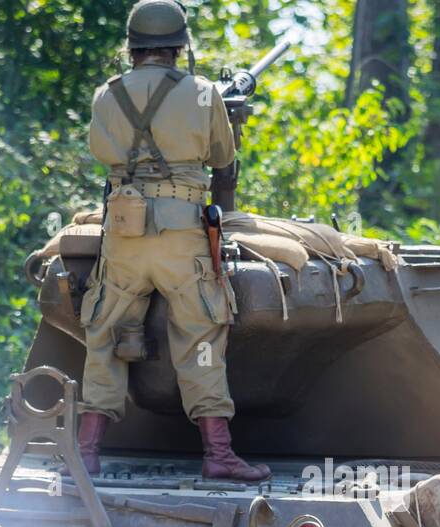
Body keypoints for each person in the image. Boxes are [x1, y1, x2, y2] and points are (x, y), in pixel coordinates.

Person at [74, 0, 269, 482]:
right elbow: (222, 154)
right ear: (181, 46)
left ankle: (87, 453)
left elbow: (100, 149)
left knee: (105, 334)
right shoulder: (202, 92)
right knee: (200, 336)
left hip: (123, 230)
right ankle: (218, 454)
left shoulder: (107, 94)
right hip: (182, 232)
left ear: (132, 47)